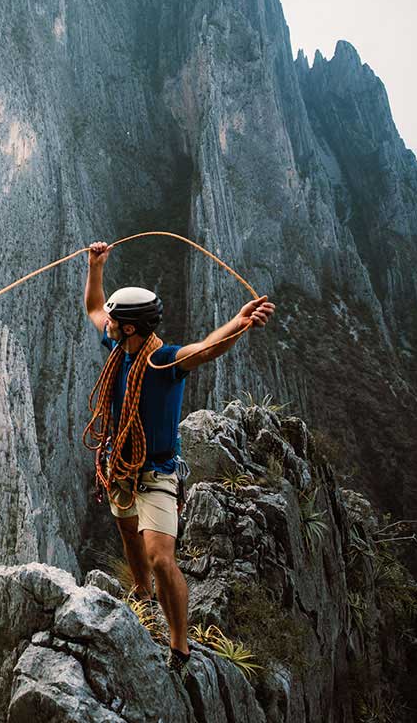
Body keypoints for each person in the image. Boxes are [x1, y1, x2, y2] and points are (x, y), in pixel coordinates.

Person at [81, 240, 275, 675]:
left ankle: (180, 644)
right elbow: (94, 307)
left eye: (115, 320)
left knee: (161, 558)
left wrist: (239, 323)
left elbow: (205, 348)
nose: (106, 323)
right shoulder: (118, 350)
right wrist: (97, 267)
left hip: (158, 473)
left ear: (130, 328)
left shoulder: (165, 362)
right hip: (122, 467)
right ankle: (143, 600)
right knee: (130, 537)